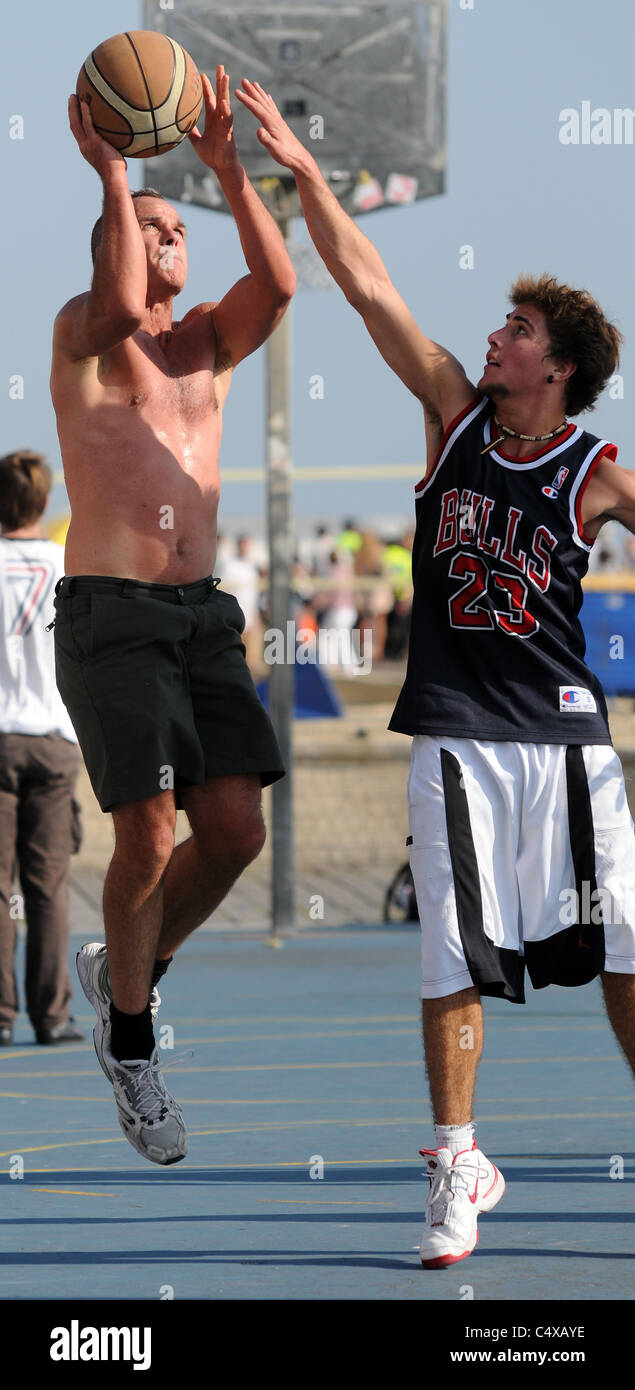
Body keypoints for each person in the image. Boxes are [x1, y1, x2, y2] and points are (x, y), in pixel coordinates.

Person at [236, 80, 635, 1267]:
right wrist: (306, 179)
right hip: (455, 729)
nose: (492, 335)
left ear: (555, 367)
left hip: (567, 741)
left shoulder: (594, 471)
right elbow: (368, 287)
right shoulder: (452, 414)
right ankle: (456, 1161)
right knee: (447, 953)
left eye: (515, 329)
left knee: (620, 947)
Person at [49, 67, 295, 1166]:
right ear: (112, 242)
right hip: (112, 610)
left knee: (235, 832)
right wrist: (115, 170)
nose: (163, 240)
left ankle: (123, 969)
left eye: (173, 230)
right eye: (146, 228)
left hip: (202, 615)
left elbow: (280, 284)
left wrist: (229, 169)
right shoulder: (87, 337)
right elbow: (109, 295)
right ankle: (133, 1044)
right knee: (146, 826)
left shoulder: (210, 341)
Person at [0, 450, 84, 1047]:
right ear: (44, 502)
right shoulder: (65, 566)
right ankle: (52, 1016)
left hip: (1, 734)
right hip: (54, 737)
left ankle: (0, 1015)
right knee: (48, 885)